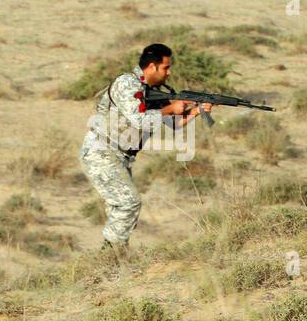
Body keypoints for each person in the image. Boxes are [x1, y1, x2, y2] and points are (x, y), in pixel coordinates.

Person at [80, 42, 212, 254]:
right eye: (166, 68)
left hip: (121, 155)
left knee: (121, 207)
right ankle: (109, 255)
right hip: (102, 150)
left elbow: (174, 124)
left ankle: (113, 256)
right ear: (152, 66)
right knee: (128, 203)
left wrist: (196, 111)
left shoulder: (154, 92)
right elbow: (138, 119)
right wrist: (170, 108)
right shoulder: (127, 84)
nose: (169, 73)